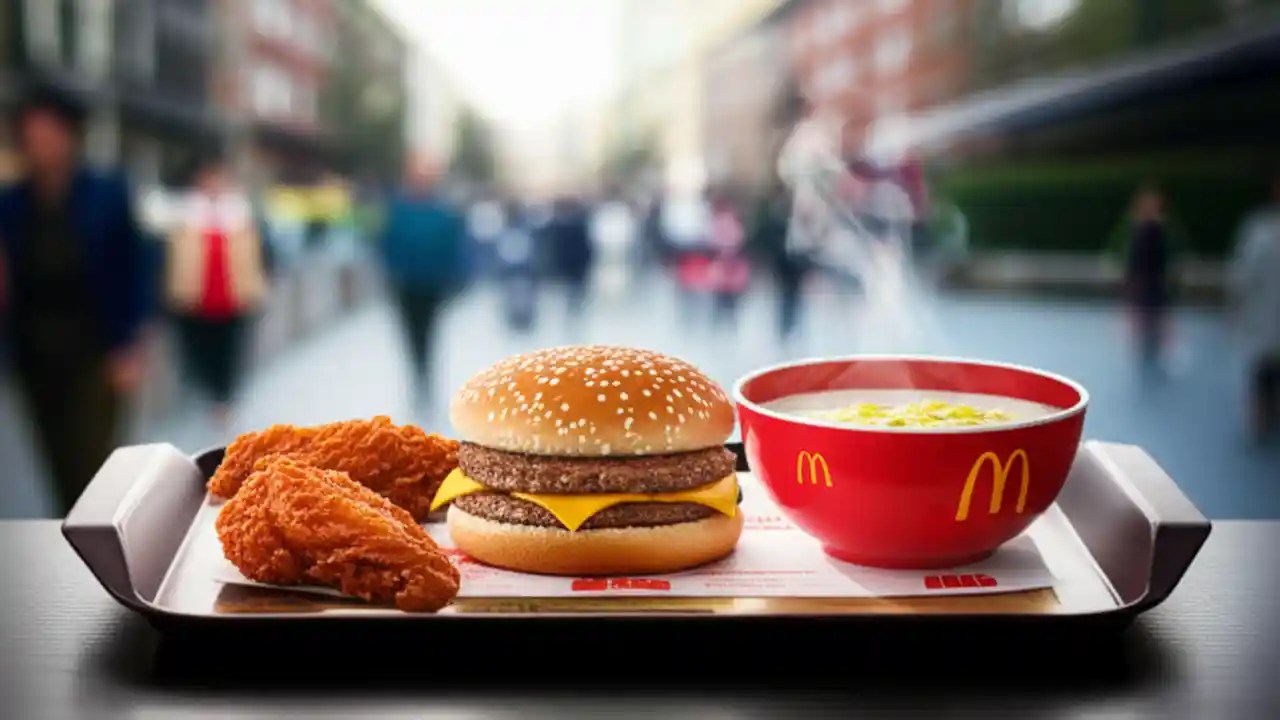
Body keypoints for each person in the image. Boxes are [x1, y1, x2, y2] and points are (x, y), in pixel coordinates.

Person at [0, 87, 151, 515]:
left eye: (48, 134)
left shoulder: (106, 193)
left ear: (70, 136)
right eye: (30, 137)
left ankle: (96, 544)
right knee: (55, 462)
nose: (39, 145)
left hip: (96, 349)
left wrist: (130, 346)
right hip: (35, 355)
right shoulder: (11, 204)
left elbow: (133, 270)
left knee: (91, 459)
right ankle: (72, 539)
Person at [165, 152, 270, 428]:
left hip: (233, 298)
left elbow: (262, 256)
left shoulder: (241, 216)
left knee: (230, 351)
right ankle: (207, 394)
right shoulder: (185, 216)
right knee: (200, 350)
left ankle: (223, 400)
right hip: (195, 298)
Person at [379, 155, 467, 407]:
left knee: (428, 333)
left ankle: (426, 377)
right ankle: (417, 375)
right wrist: (393, 271)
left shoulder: (442, 211)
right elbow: (386, 243)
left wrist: (453, 278)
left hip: (432, 284)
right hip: (405, 284)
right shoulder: (398, 210)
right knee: (410, 334)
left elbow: (453, 246)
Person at [1109, 184, 1187, 379]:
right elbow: (1131, 261)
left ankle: (1156, 359)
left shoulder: (1161, 230)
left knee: (1156, 333)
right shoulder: (1138, 230)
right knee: (1143, 335)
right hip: (1143, 288)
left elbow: (1171, 258)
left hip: (1156, 287)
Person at [1229, 174, 1280, 442]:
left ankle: (1262, 418)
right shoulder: (1260, 230)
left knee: (1264, 371)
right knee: (1264, 372)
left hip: (1265, 326)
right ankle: (1263, 417)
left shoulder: (1260, 231)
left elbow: (1242, 277)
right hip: (1266, 323)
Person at [706, 192, 750, 330]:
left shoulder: (718, 221)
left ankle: (721, 323)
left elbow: (712, 240)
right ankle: (728, 323)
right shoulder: (732, 222)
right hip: (728, 264)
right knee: (727, 298)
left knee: (722, 298)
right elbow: (738, 240)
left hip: (726, 264)